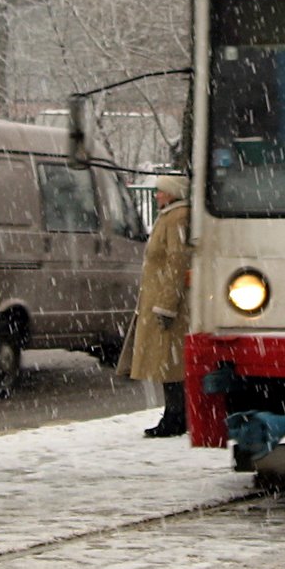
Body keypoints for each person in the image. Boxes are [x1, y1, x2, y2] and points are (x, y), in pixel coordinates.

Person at [117, 172, 193, 437]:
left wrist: (167, 304)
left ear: (171, 193)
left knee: (170, 364)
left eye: (160, 191)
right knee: (168, 363)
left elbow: (177, 262)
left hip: (169, 303)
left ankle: (175, 417)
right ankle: (175, 415)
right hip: (162, 299)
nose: (156, 195)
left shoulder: (177, 218)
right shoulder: (171, 217)